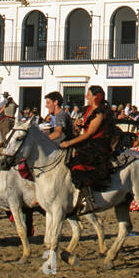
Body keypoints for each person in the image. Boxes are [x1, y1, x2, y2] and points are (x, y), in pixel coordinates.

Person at [58, 85, 116, 215]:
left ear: (96, 97)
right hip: (86, 143)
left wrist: (69, 142)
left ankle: (90, 201)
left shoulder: (99, 114)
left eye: (88, 95)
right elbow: (83, 129)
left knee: (78, 164)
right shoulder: (87, 110)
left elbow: (89, 133)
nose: (86, 97)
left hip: (96, 146)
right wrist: (77, 124)